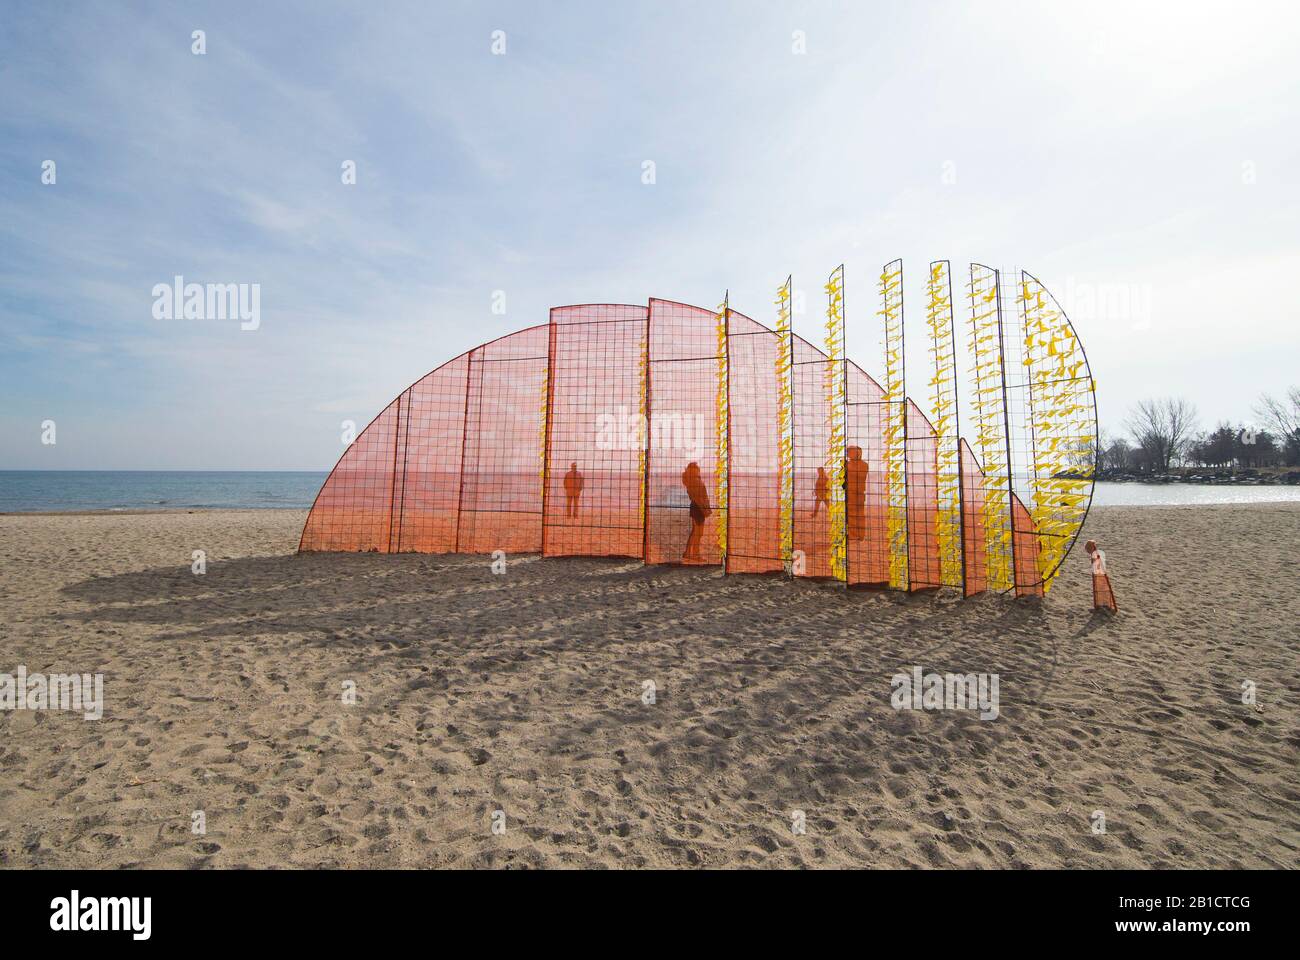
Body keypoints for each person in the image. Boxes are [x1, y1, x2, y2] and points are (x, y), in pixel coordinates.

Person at [681, 461, 711, 562]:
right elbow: (699, 498)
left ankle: (688, 553)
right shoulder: (695, 480)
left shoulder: (691, 480)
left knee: (695, 532)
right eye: (697, 468)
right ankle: (695, 554)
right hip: (698, 508)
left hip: (695, 507)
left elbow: (696, 497)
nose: (698, 469)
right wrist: (705, 510)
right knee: (698, 533)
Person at [1084, 539, 1117, 612]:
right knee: (1099, 588)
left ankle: (1104, 604)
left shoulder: (1096, 554)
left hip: (1100, 572)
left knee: (1101, 587)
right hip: (1098, 571)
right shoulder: (1095, 553)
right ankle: (1100, 604)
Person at [845, 446, 867, 541]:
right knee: (850, 515)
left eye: (851, 452)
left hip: (859, 493)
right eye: (849, 452)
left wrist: (847, 467)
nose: (849, 454)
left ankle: (861, 535)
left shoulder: (863, 464)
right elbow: (842, 478)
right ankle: (852, 534)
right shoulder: (848, 464)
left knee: (859, 515)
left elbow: (861, 476)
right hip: (849, 492)